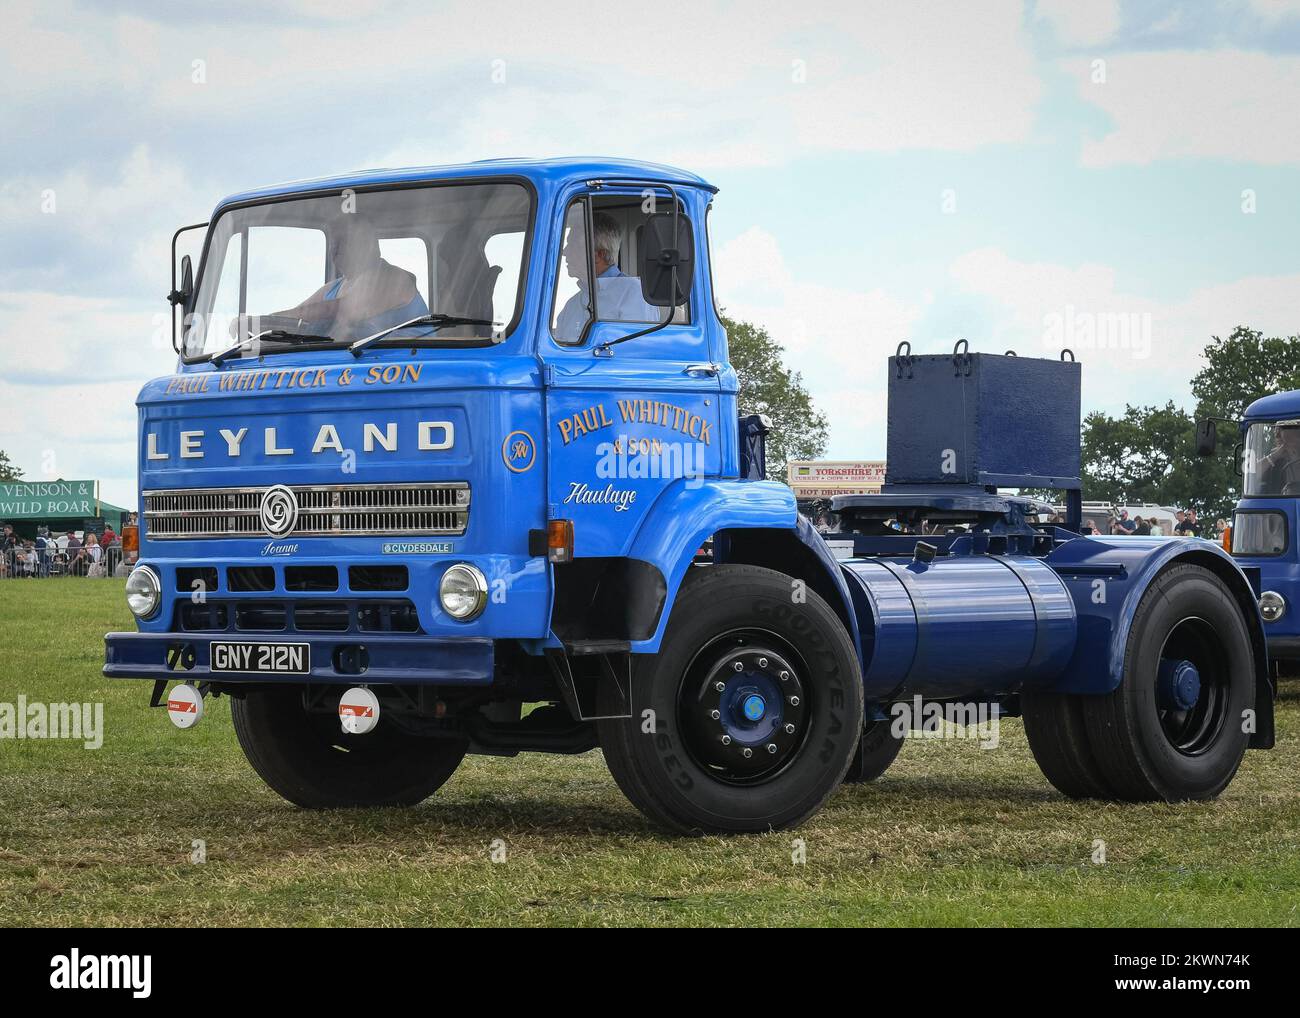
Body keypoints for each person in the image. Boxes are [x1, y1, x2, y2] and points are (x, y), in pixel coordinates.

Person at [245, 217, 429, 344]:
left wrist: (263, 323)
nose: (334, 247)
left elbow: (339, 310)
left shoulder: (394, 278)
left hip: (410, 368)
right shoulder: (333, 288)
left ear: (368, 243)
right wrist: (260, 323)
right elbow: (297, 313)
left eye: (344, 240)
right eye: (334, 241)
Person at [554, 212, 659, 342]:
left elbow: (635, 351)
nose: (564, 252)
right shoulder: (571, 305)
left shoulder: (636, 294)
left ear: (598, 255)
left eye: (572, 244)